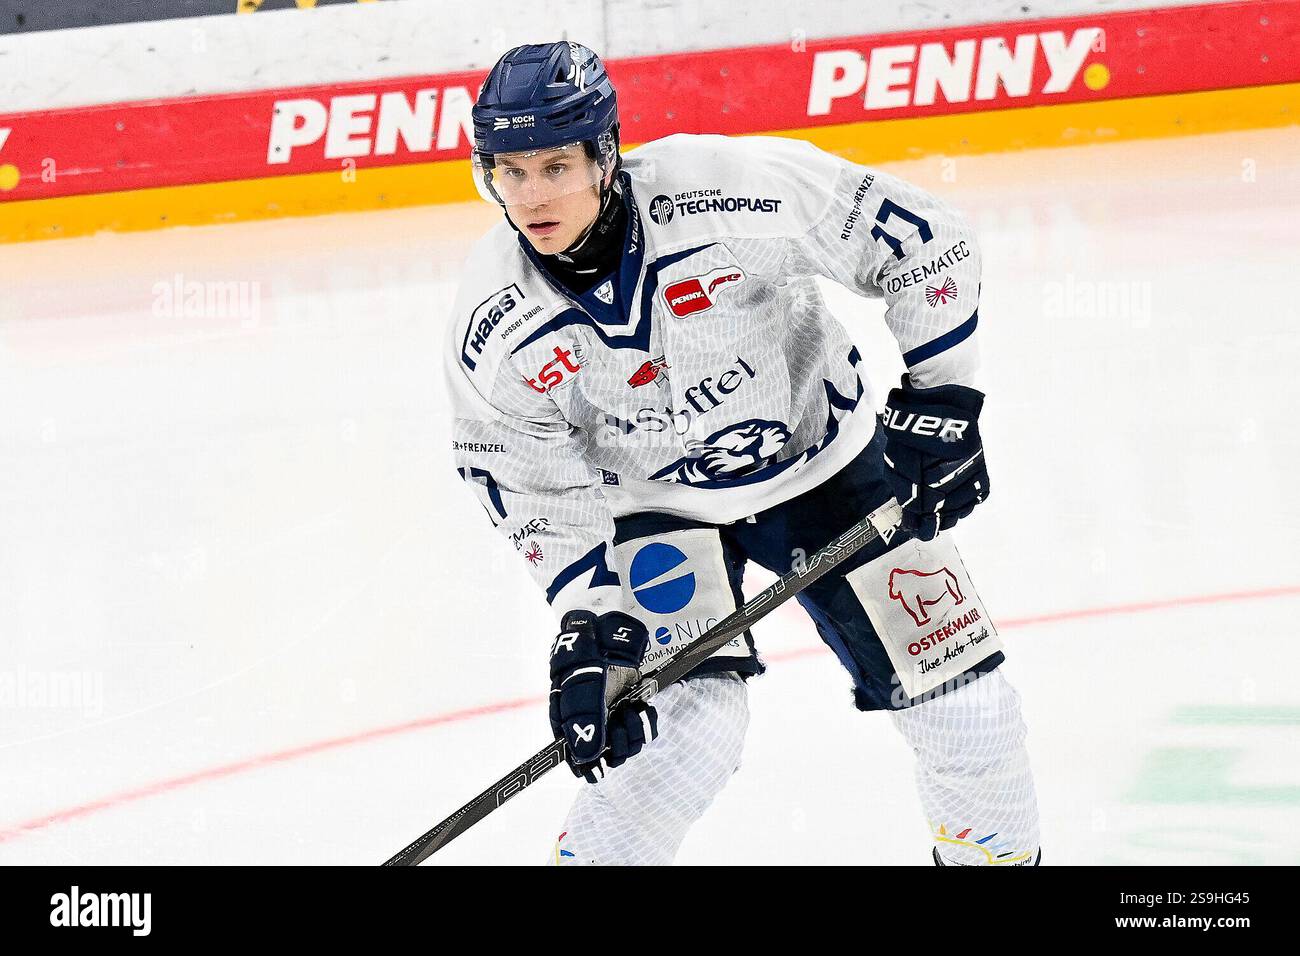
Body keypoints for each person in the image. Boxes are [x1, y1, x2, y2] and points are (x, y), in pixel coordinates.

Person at [445, 40, 1040, 865]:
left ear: (606, 155)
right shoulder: (495, 319)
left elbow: (923, 241)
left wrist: (941, 399)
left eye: (555, 167)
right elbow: (523, 476)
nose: (531, 197)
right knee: (682, 741)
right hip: (655, 508)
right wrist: (589, 617)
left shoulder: (730, 190)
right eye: (508, 172)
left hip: (827, 464)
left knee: (965, 706)